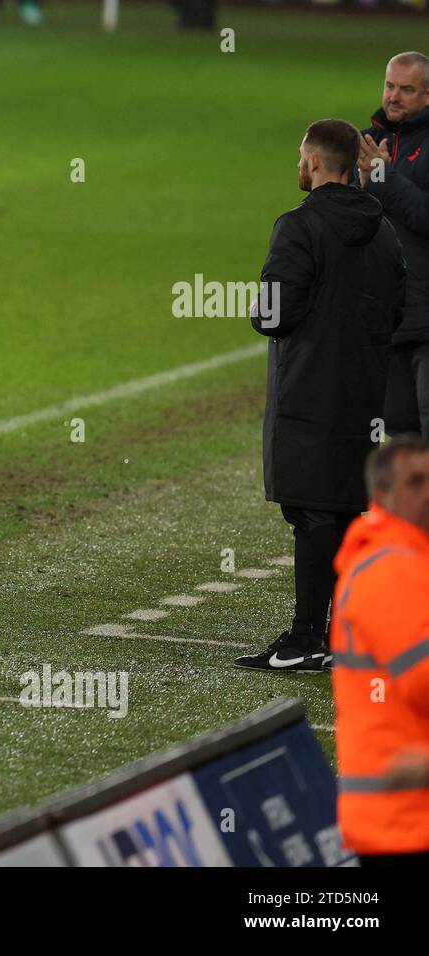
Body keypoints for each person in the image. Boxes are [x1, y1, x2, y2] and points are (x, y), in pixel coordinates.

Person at [236, 119, 404, 673]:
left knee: (310, 512)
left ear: (312, 162)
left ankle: (306, 637)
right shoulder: (383, 230)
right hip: (364, 392)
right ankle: (344, 633)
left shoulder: (297, 227)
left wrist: (258, 310)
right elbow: (396, 308)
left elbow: (275, 312)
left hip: (307, 390)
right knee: (345, 510)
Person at [331, 436, 429, 866]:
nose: (428, 492)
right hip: (405, 822)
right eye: (416, 482)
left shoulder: (408, 557)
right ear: (382, 497)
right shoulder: (389, 569)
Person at [358, 52, 429, 441]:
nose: (394, 97)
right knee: (400, 438)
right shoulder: (373, 143)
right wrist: (362, 187)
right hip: (387, 317)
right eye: (389, 86)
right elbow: (353, 226)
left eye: (407, 89)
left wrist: (383, 179)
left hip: (426, 322)